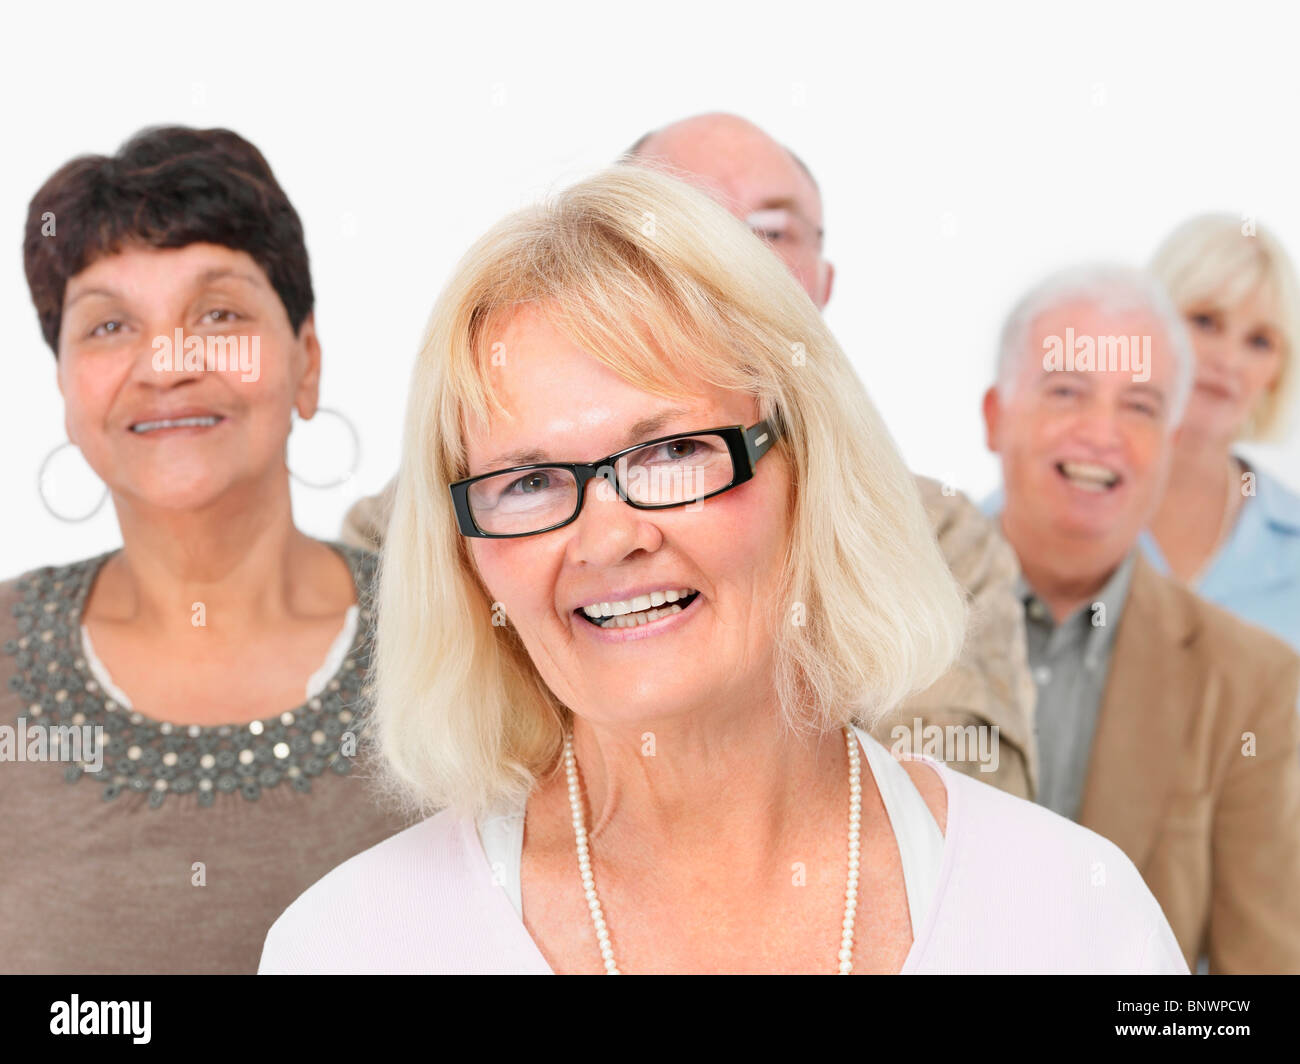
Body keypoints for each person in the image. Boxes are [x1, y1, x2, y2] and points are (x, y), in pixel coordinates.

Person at [260, 166, 1184, 974]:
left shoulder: (1076, 916)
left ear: (807, 467)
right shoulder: (350, 948)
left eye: (669, 453)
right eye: (532, 481)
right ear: (466, 560)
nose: (606, 537)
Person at [341, 113, 1038, 799]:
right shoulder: (419, 522)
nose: (722, 255)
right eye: (530, 481)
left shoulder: (938, 530)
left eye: (768, 231)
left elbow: (959, 831)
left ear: (822, 283)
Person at [1, 126, 409, 974]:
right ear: (67, 394)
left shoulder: (460, 638)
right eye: (109, 324)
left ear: (308, 362)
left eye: (218, 313)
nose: (168, 362)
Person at [981, 264, 1300, 973]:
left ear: (1170, 442)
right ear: (995, 417)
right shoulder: (868, 618)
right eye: (1067, 391)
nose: (1102, 433)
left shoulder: (1251, 681)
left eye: (1141, 406)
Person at [1143, 213, 1300, 653]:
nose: (1228, 360)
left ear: (1277, 373)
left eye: (1260, 342)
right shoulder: (1052, 503)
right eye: (1206, 322)